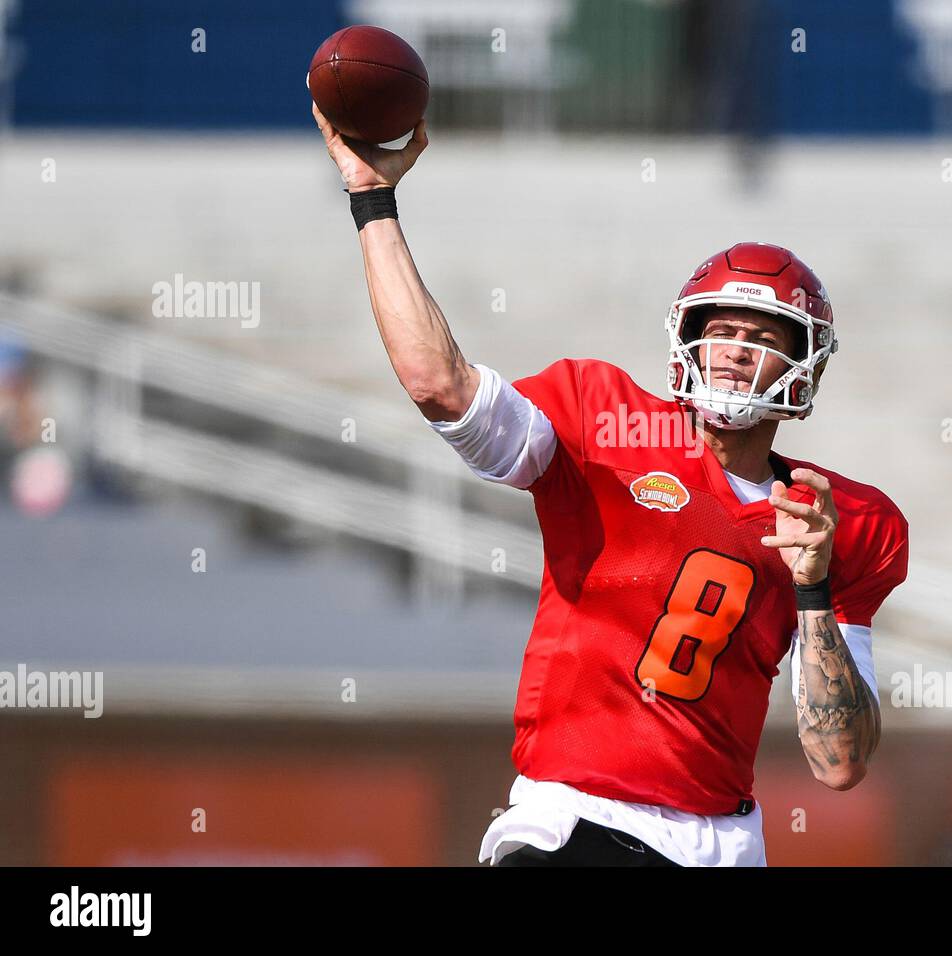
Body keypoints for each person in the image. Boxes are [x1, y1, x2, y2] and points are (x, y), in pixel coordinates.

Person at [312, 105, 909, 867]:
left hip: (723, 844)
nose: (731, 352)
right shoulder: (603, 420)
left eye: (759, 339)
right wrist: (372, 201)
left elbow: (839, 763)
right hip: (575, 820)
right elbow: (440, 385)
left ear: (804, 366)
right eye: (718, 331)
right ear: (686, 343)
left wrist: (815, 589)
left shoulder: (840, 521)